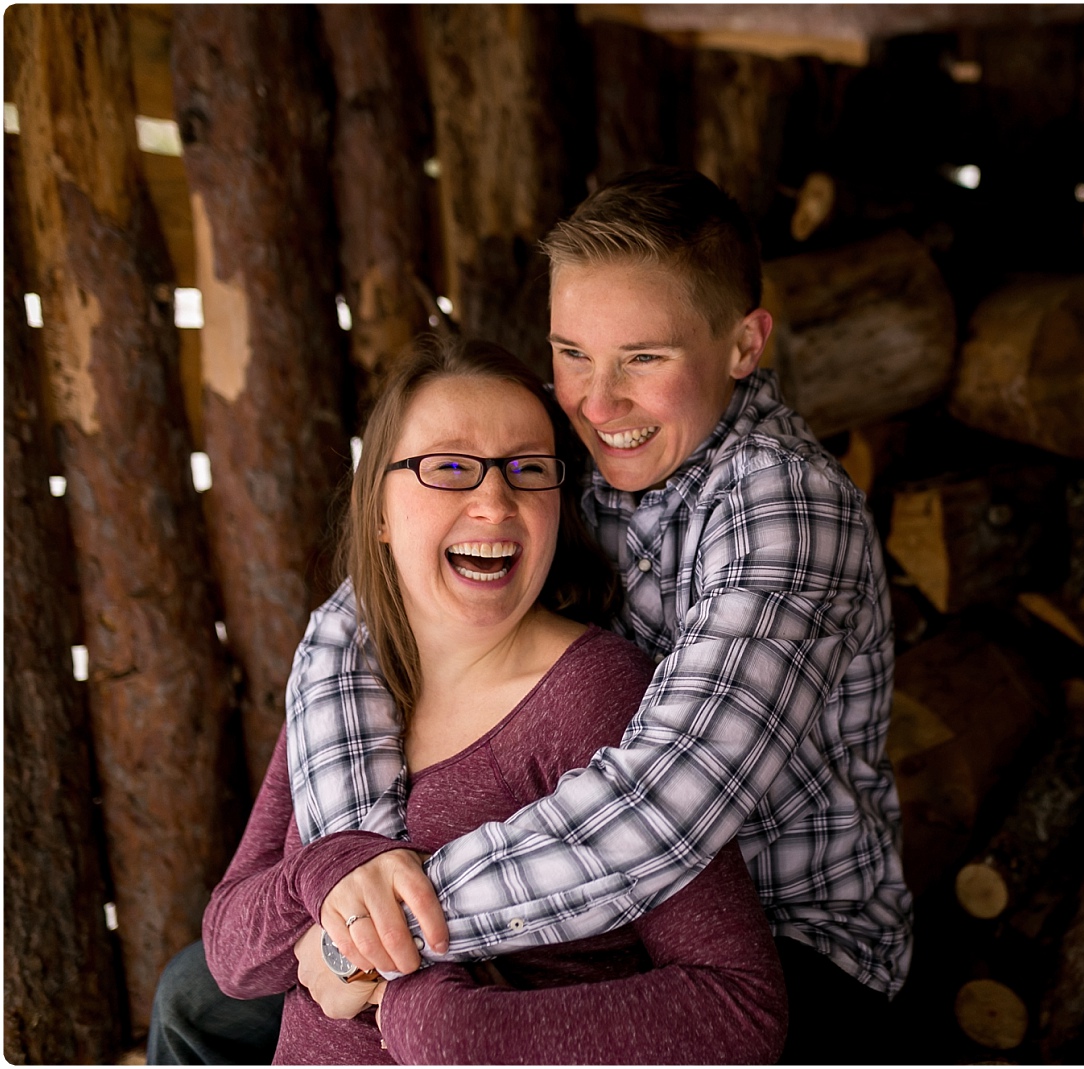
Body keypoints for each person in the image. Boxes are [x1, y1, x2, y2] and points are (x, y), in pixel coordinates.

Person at [149, 167, 910, 1064]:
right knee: (200, 996)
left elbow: (660, 809)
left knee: (433, 1024)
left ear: (744, 345)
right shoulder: (555, 448)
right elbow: (360, 618)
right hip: (563, 904)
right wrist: (349, 868)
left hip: (791, 949)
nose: (598, 399)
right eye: (573, 352)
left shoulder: (786, 509)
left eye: (644, 358)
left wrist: (375, 927)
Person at [196, 337, 786, 1064]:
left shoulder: (592, 694)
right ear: (378, 507)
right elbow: (232, 950)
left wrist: (439, 1023)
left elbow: (739, 1009)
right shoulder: (345, 678)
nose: (494, 500)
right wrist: (326, 876)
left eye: (527, 469)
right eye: (447, 467)